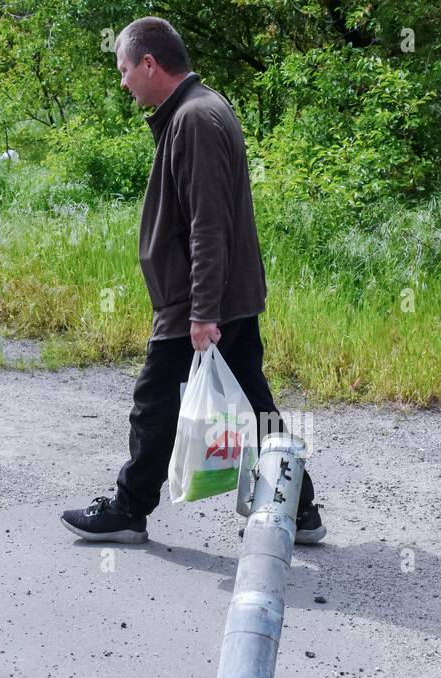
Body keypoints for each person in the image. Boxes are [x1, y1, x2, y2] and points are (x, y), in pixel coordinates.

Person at [61, 16, 325, 545]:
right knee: (252, 403)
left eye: (124, 69)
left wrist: (202, 312)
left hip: (202, 305)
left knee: (155, 402)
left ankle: (129, 509)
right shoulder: (196, 110)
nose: (123, 82)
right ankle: (300, 509)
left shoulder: (196, 119)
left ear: (149, 64)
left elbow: (209, 224)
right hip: (220, 299)